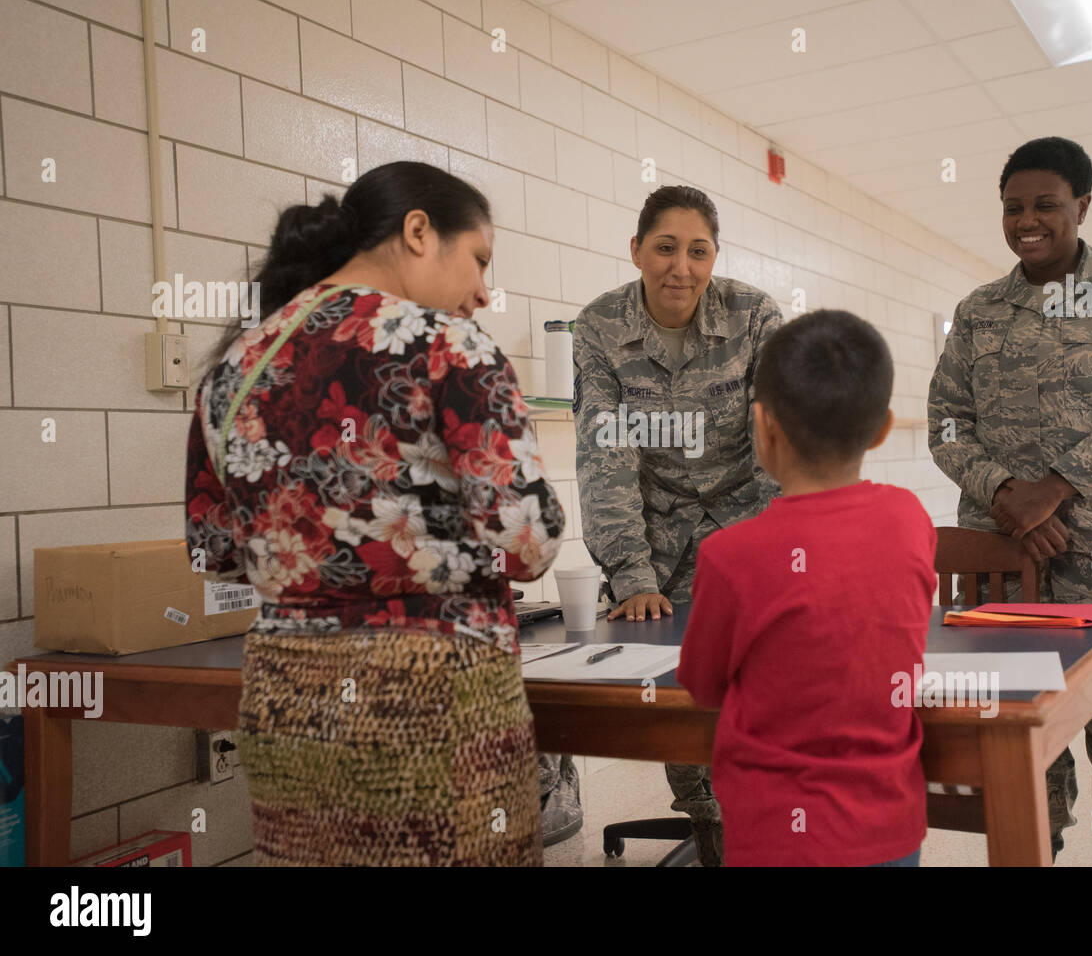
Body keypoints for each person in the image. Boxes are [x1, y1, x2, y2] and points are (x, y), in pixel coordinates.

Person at [185, 161, 565, 866]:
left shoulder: (234, 366)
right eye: (479, 259)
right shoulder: (450, 345)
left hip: (289, 703)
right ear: (419, 231)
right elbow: (527, 539)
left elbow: (213, 548)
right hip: (437, 704)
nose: (483, 291)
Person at [928, 136, 1092, 866]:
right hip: (1008, 561)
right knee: (1018, 739)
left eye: (1046, 204)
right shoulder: (979, 311)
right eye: (1013, 207)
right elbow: (947, 425)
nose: (1027, 220)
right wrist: (1006, 495)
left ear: (1081, 205)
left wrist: (1055, 489)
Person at [573, 185, 784, 865]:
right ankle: (708, 830)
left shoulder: (754, 315)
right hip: (656, 536)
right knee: (675, 704)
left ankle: (762, 830)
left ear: (715, 257)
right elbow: (605, 454)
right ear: (635, 249)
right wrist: (631, 573)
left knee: (757, 700)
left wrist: (774, 560)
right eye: (665, 247)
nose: (681, 268)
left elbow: (777, 439)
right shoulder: (600, 325)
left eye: (699, 251)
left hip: (745, 521)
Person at [678, 310, 935, 867]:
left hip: (776, 838)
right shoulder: (911, 519)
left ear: (763, 425)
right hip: (889, 832)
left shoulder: (728, 556)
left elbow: (702, 686)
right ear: (884, 428)